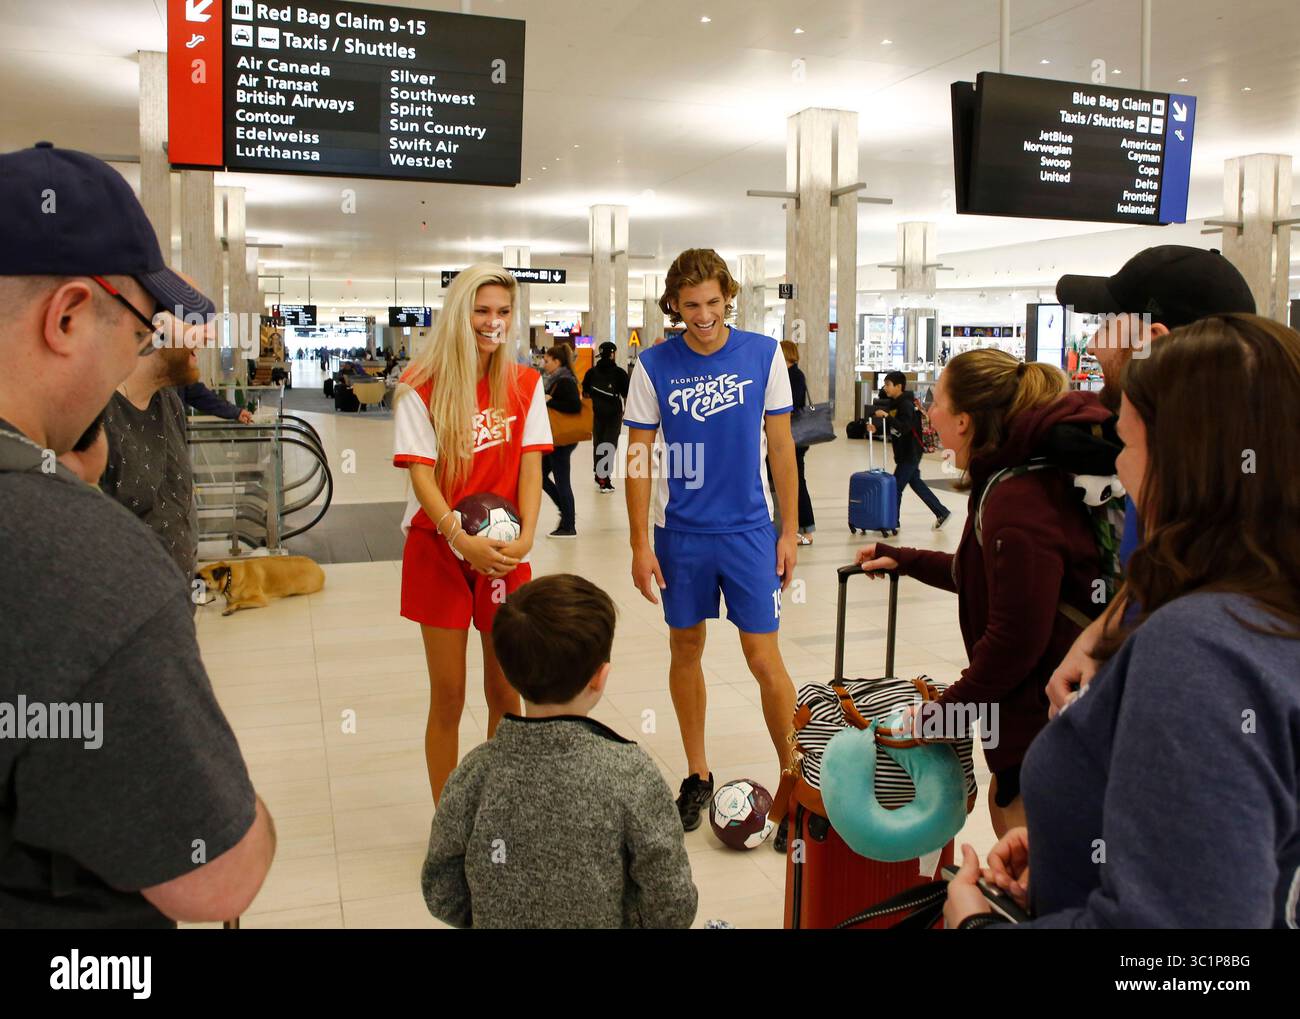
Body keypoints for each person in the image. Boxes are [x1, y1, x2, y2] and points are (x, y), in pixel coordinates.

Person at [945, 314, 1300, 929]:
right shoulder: (1269, 608)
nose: (1121, 470)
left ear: (1185, 463)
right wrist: (1076, 866)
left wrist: (976, 926)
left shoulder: (1198, 653)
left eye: (1128, 444)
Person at [0, 142, 274, 927]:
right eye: (140, 327)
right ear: (68, 315)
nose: (141, 350)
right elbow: (218, 876)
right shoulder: (89, 563)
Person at [856, 349, 1116, 836]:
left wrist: (936, 716)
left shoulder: (1017, 501)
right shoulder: (1009, 477)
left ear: (964, 420)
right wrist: (908, 560)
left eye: (936, 400)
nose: (928, 411)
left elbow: (1014, 645)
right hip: (1035, 719)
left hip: (1043, 725)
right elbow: (984, 576)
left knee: (1035, 873)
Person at [623, 248, 800, 843]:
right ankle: (698, 774)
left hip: (750, 531)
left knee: (762, 659)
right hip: (682, 535)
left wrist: (789, 530)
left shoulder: (764, 355)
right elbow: (639, 458)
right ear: (674, 305)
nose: (703, 315)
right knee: (685, 648)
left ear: (730, 297)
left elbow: (781, 450)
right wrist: (639, 544)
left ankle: (793, 779)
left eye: (713, 302)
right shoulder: (651, 366)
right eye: (690, 305)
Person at [1046, 246, 1256, 716]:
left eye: (1106, 324)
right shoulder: (1166, 458)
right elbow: (1156, 570)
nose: (1095, 346)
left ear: (1152, 341)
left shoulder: (1242, 490)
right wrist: (1101, 632)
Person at [422, 574, 698, 928]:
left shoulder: (474, 773)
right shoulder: (631, 774)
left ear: (508, 671)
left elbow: (440, 889)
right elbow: (673, 905)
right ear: (600, 677)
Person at [392, 263, 552, 803]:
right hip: (440, 549)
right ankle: (449, 823)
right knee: (450, 693)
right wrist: (459, 539)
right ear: (460, 313)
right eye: (482, 310)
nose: (493, 321)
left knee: (506, 689)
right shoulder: (419, 385)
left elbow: (532, 465)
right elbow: (420, 472)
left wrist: (526, 537)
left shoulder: (526, 384)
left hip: (505, 552)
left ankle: (498, 812)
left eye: (504, 312)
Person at [101, 303, 210, 583]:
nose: (207, 336)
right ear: (156, 330)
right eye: (194, 323)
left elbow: (178, 503)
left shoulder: (169, 400)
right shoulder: (96, 418)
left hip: (174, 597)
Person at [870, 370, 950, 532]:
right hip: (904, 452)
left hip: (910, 452)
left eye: (888, 385)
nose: (885, 388)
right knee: (916, 484)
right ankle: (941, 512)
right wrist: (877, 428)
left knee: (895, 487)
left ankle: (893, 522)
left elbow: (904, 427)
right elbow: (894, 427)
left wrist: (886, 417)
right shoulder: (895, 403)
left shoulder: (906, 404)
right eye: (885, 384)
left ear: (898, 386)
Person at [540, 342, 581, 537]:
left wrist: (551, 401)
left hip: (562, 440)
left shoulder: (564, 380)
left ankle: (568, 524)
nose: (543, 363)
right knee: (540, 475)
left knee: (562, 481)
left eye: (547, 360)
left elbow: (574, 406)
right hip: (555, 438)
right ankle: (565, 511)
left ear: (557, 361)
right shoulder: (556, 379)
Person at [780, 340, 816, 544]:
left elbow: (789, 405)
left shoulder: (793, 376)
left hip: (794, 437)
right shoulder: (792, 375)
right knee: (794, 481)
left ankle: (807, 530)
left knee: (797, 482)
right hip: (793, 437)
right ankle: (799, 527)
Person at [582, 340, 629, 493]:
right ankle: (604, 479)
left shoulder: (591, 372)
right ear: (613, 354)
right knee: (609, 444)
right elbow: (627, 394)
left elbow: (585, 393)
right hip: (613, 413)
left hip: (596, 413)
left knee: (599, 442)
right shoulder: (619, 373)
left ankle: (599, 473)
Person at [183, 381, 254, 423]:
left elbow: (207, 400)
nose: (195, 358)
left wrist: (237, 412)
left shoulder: (182, 381)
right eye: (191, 354)